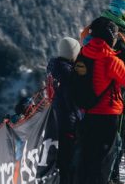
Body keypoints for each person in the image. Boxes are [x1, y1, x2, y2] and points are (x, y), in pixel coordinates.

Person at [76, 4, 125, 184]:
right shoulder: (109, 59)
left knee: (88, 158)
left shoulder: (84, 53)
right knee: (104, 160)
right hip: (107, 114)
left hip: (87, 111)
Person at [48, 37, 82, 183]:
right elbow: (72, 100)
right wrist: (80, 117)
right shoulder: (68, 73)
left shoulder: (53, 68)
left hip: (54, 120)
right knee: (68, 163)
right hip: (68, 122)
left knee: (58, 162)